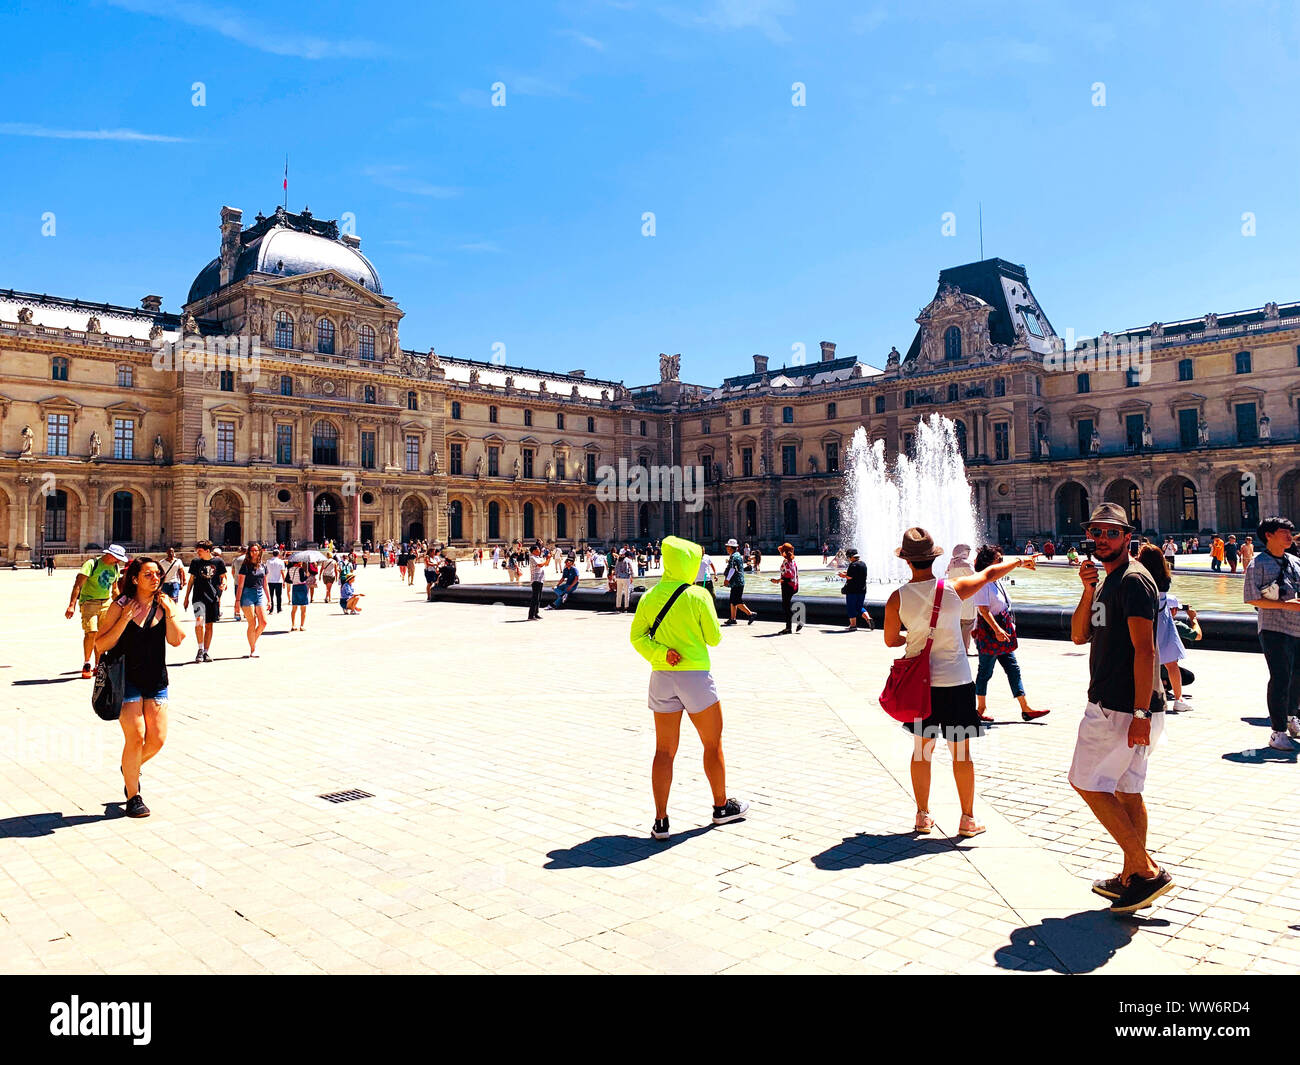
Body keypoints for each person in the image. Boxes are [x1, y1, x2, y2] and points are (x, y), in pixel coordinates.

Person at [882, 528, 1026, 840]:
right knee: (961, 753)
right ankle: (967, 819)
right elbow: (988, 574)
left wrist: (916, 636)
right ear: (933, 560)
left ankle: (922, 816)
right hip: (958, 683)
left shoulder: (897, 599)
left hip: (922, 688)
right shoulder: (953, 589)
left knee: (922, 750)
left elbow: (891, 640)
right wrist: (1017, 564)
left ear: (907, 562)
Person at [1069, 502, 1173, 915]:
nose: (1101, 540)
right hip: (1130, 707)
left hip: (1121, 707)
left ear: (1128, 537)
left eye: (1111, 533)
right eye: (1096, 532)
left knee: (1087, 782)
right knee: (1128, 792)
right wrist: (1086, 588)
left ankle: (1147, 870)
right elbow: (1080, 635)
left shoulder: (1132, 581)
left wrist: (1141, 714)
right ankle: (1133, 876)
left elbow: (1146, 650)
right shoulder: (1107, 581)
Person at [630, 535, 748, 841]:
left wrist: (660, 654)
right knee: (712, 744)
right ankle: (721, 808)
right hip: (695, 676)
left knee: (664, 750)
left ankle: (660, 821)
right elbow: (714, 638)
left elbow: (637, 637)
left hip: (662, 677)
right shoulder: (698, 596)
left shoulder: (650, 596)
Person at [94, 557, 186, 818]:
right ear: (135, 579)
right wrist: (124, 619)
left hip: (156, 679)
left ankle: (130, 768)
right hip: (126, 680)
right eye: (148, 574)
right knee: (135, 736)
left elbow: (177, 641)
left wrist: (170, 613)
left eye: (157, 574)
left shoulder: (164, 604)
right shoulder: (120, 606)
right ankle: (134, 797)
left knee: (156, 739)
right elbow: (101, 645)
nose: (155, 578)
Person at [971, 545, 1049, 723]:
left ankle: (1026, 708)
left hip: (1003, 630)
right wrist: (997, 630)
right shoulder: (982, 582)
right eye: (998, 560)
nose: (1002, 563)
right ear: (988, 563)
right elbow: (983, 610)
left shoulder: (996, 579)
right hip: (990, 633)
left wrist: (1024, 562)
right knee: (985, 672)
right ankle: (980, 709)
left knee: (1013, 669)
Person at [1243, 516, 1300, 751]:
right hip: (1273, 629)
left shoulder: (1296, 562)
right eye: (1284, 532)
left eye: (1290, 532)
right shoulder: (1257, 564)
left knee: (1297, 676)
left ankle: (1291, 717)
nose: (1290, 536)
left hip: (1297, 628)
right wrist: (1287, 605)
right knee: (1280, 677)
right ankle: (1277, 732)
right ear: (1269, 535)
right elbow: (1251, 598)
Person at [1136, 545, 1193, 714]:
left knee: (1142, 658)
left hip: (1145, 615)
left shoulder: (1139, 576)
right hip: (1163, 617)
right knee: (1171, 663)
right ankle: (1179, 699)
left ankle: (1140, 697)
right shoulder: (1165, 577)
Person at [66, 544, 128, 679]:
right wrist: (72, 605)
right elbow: (78, 585)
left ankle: (99, 664)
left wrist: (120, 604)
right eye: (117, 558)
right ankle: (87, 663)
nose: (118, 561)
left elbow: (115, 588)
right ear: (110, 555)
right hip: (89, 602)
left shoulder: (115, 567)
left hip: (106, 602)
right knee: (91, 632)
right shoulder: (91, 564)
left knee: (102, 635)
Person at [182, 540, 225, 663]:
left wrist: (224, 584)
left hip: (213, 597)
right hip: (198, 596)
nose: (197, 553)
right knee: (199, 622)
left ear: (207, 550)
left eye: (200, 551)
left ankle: (206, 651)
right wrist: (186, 598)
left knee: (209, 625)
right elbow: (191, 580)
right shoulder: (196, 562)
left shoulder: (218, 562)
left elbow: (224, 577)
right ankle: (200, 649)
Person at [234, 542, 269, 658]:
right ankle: (253, 649)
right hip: (247, 594)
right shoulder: (245, 566)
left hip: (259, 594)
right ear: (249, 552)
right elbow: (240, 585)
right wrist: (237, 602)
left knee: (263, 622)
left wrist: (269, 599)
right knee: (252, 622)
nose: (254, 552)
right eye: (252, 550)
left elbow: (265, 584)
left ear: (260, 551)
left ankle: (253, 640)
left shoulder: (263, 566)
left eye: (256, 550)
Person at [944, 543, 976, 651]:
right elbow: (975, 578)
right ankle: (965, 650)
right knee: (968, 625)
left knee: (958, 625)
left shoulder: (951, 564)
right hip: (968, 599)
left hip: (955, 599)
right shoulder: (966, 564)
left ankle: (956, 648)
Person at [722, 538, 756, 626]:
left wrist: (727, 580)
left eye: (727, 547)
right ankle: (733, 618)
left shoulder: (734, 556)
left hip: (737, 582)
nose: (726, 548)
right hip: (737, 582)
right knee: (732, 601)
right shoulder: (737, 555)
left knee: (737, 601)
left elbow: (733, 569)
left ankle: (750, 614)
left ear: (731, 548)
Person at [769, 542, 801, 634]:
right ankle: (792, 625)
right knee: (786, 606)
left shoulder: (787, 562)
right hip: (793, 586)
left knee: (786, 607)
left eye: (781, 551)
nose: (780, 552)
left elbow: (788, 577)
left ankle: (791, 626)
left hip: (788, 587)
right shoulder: (792, 561)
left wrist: (777, 581)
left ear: (784, 552)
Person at [837, 547, 871, 631]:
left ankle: (853, 625)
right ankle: (868, 618)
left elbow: (850, 577)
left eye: (848, 557)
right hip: (862, 589)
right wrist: (846, 573)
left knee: (851, 607)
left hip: (852, 590)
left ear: (852, 556)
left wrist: (843, 575)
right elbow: (856, 574)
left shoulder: (853, 564)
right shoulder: (863, 564)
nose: (848, 559)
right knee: (859, 607)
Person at [527, 542, 549, 620]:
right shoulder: (532, 557)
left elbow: (546, 564)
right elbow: (540, 565)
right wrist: (545, 560)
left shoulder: (539, 558)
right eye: (537, 549)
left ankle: (536, 613)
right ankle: (531, 615)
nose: (539, 550)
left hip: (540, 579)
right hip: (535, 579)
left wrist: (548, 558)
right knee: (535, 598)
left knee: (538, 598)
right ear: (533, 551)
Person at [289, 559, 312, 631]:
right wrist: (307, 575)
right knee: (303, 607)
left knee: (294, 608)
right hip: (302, 587)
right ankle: (302, 626)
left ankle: (293, 625)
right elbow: (302, 579)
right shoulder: (300, 569)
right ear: (298, 562)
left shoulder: (290, 569)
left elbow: (287, 580)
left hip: (295, 587)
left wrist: (294, 580)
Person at [265, 549, 285, 614]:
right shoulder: (281, 562)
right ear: (278, 554)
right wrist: (284, 581)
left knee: (271, 595)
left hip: (270, 580)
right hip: (278, 581)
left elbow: (266, 572)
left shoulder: (268, 561)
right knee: (278, 596)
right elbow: (282, 572)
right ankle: (279, 608)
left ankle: (271, 609)